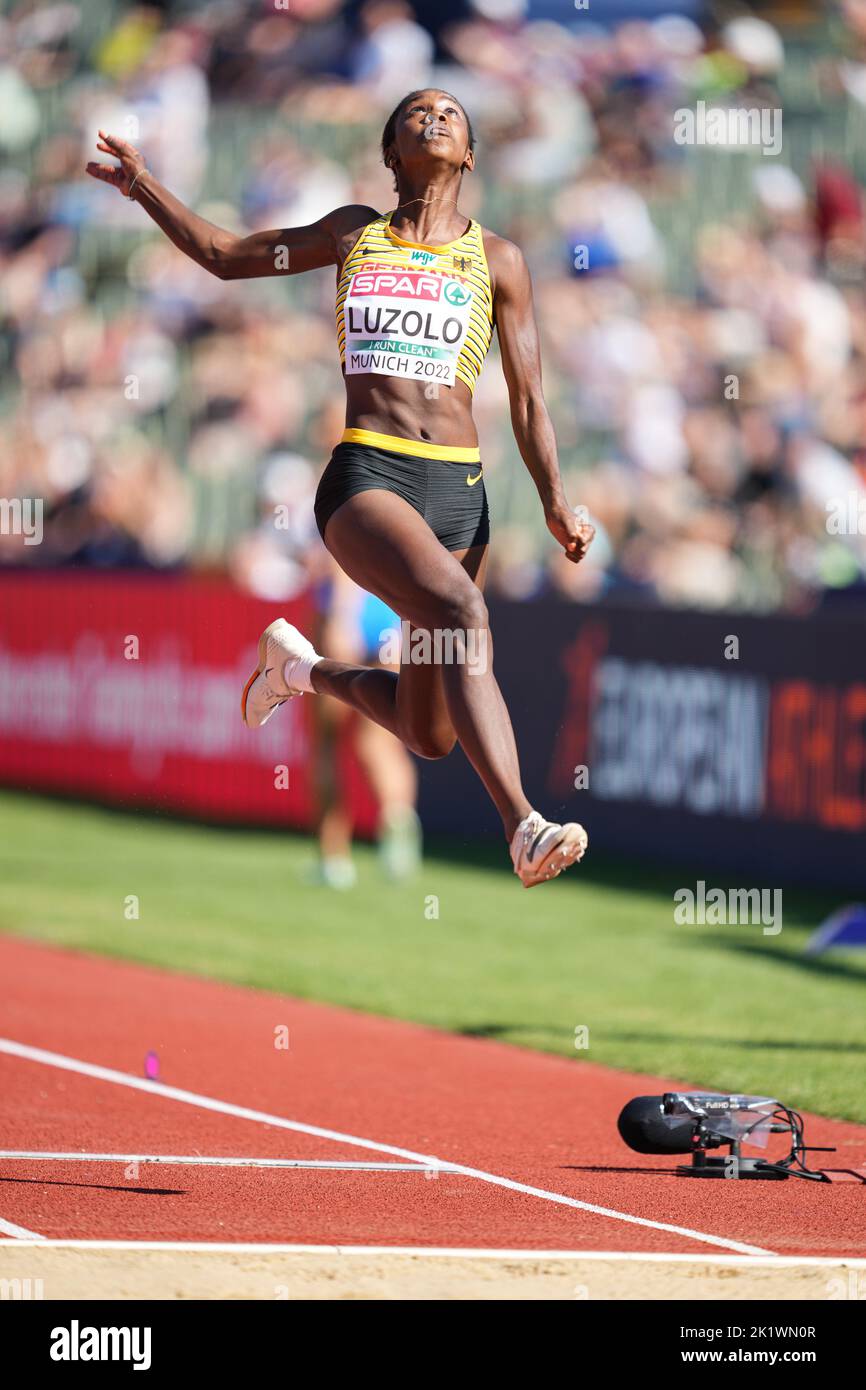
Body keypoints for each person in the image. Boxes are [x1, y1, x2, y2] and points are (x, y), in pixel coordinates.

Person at [87, 89, 596, 887]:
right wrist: (145, 185)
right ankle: (524, 827)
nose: (433, 118)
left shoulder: (498, 260)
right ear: (391, 153)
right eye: (415, 113)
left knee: (429, 732)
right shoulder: (353, 231)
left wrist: (556, 501)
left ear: (469, 155)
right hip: (369, 476)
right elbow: (225, 256)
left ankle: (297, 668)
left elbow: (530, 401)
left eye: (450, 115)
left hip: (460, 496)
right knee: (464, 614)